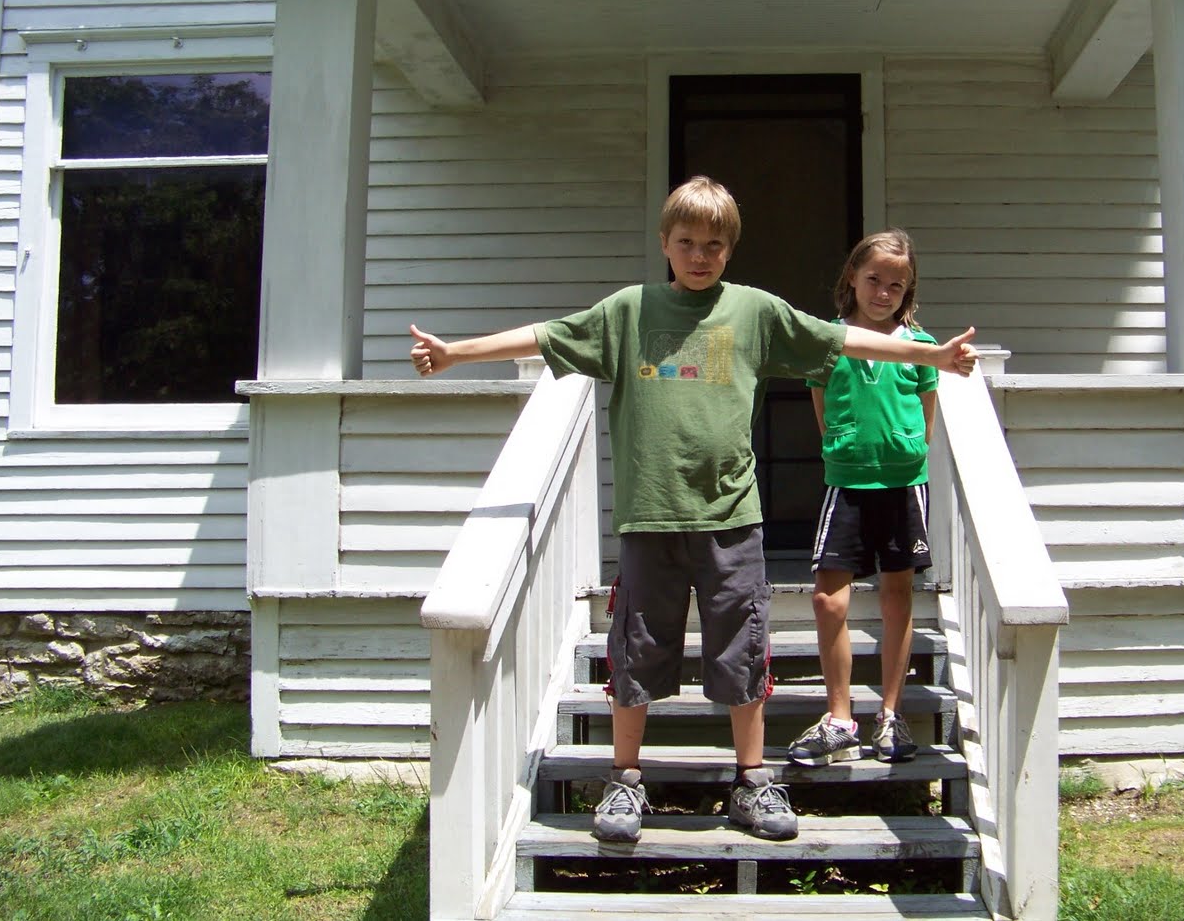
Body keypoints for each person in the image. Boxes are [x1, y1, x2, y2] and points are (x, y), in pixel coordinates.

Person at [409, 177, 976, 845]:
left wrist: (929, 354)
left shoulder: (754, 312)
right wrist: (455, 353)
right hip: (650, 516)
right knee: (637, 651)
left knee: (742, 651)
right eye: (687, 242)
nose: (700, 254)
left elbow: (846, 340)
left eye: (714, 244)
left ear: (730, 250)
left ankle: (752, 779)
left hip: (732, 516)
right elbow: (544, 335)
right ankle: (625, 778)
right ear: (664, 244)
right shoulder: (628, 311)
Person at [787, 230, 939, 768]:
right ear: (852, 277)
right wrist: (842, 445)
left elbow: (926, 410)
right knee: (828, 597)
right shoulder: (829, 340)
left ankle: (891, 716)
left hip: (903, 484)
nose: (882, 292)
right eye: (873, 279)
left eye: (895, 285)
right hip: (847, 483)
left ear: (908, 290)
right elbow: (822, 403)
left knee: (897, 594)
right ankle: (839, 717)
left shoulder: (920, 344)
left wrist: (909, 448)